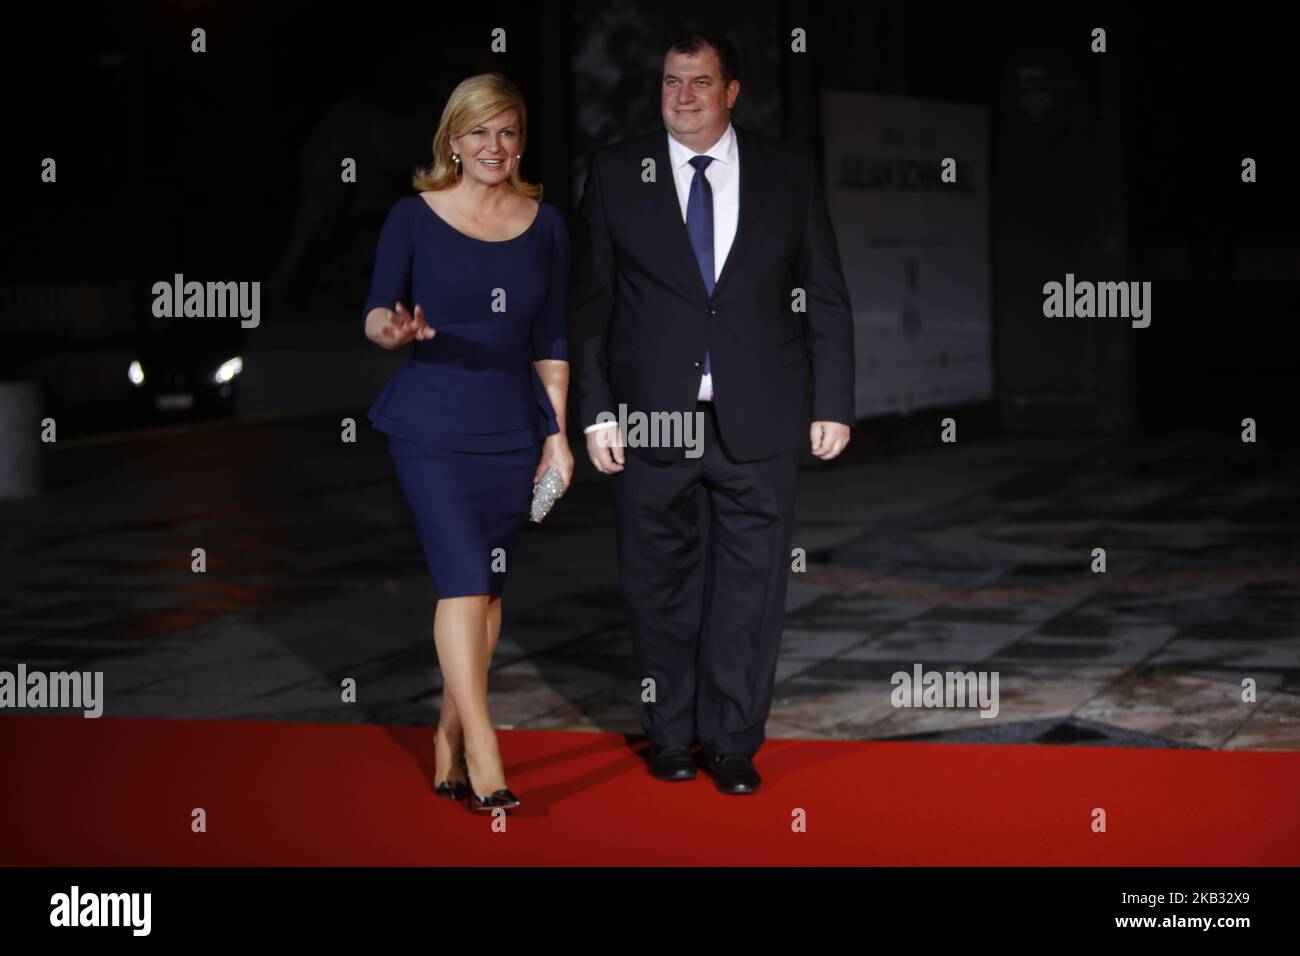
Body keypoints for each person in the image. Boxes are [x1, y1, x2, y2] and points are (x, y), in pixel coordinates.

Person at [568, 31, 855, 794]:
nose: (683, 97)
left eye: (700, 83)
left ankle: (731, 741)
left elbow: (824, 291)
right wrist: (595, 414)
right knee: (656, 588)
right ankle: (668, 734)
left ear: (732, 93)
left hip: (757, 417)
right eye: (671, 83)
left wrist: (833, 402)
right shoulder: (614, 172)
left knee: (750, 591)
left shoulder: (786, 171)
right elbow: (589, 305)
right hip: (651, 422)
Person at [362, 72, 573, 812]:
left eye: (508, 131)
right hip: (430, 427)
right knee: (461, 581)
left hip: (512, 429)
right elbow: (378, 313)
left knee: (488, 595)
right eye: (479, 131)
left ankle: (447, 740)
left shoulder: (545, 223)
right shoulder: (412, 216)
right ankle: (485, 750)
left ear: (521, 142)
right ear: (452, 140)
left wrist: (559, 436)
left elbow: (552, 336)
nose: (494, 145)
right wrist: (394, 330)